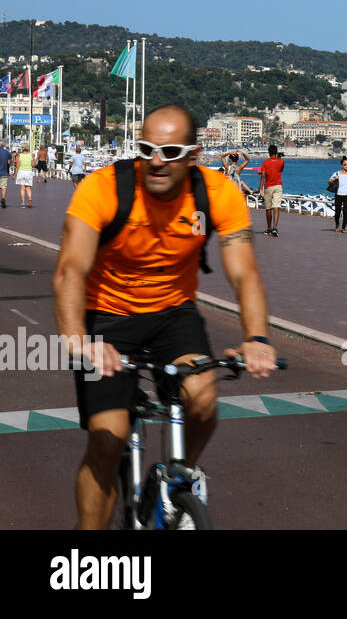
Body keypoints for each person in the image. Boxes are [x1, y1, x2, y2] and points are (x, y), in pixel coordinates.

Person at [52, 104, 277, 530]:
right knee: (109, 438)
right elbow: (69, 271)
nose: (156, 161)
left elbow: (245, 273)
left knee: (203, 395)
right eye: (147, 149)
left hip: (174, 313)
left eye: (171, 151)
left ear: (194, 155)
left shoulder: (217, 194)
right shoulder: (103, 189)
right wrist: (78, 341)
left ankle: (181, 481)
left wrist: (257, 338)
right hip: (105, 317)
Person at [258, 144, 286, 236]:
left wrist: (260, 188)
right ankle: (275, 228)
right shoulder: (281, 162)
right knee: (276, 207)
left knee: (268, 208)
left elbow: (263, 175)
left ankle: (269, 228)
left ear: (268, 152)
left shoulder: (265, 163)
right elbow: (280, 170)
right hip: (278, 186)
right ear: (276, 152)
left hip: (268, 186)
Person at [329, 156, 347, 234]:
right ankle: (337, 224)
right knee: (337, 212)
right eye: (345, 164)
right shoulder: (336, 173)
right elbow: (329, 181)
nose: (346, 166)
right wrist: (335, 178)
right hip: (338, 194)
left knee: (346, 212)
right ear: (341, 165)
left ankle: (343, 228)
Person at [16, 142, 35, 208]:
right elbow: (33, 165)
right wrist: (33, 158)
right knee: (28, 187)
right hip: (29, 172)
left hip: (21, 171)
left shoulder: (20, 155)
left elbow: (18, 166)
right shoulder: (31, 155)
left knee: (22, 188)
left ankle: (23, 203)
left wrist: (15, 174)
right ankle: (30, 198)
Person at [0, 139, 10, 207]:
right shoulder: (7, 152)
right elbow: (9, 162)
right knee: (4, 187)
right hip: (4, 172)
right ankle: (3, 198)